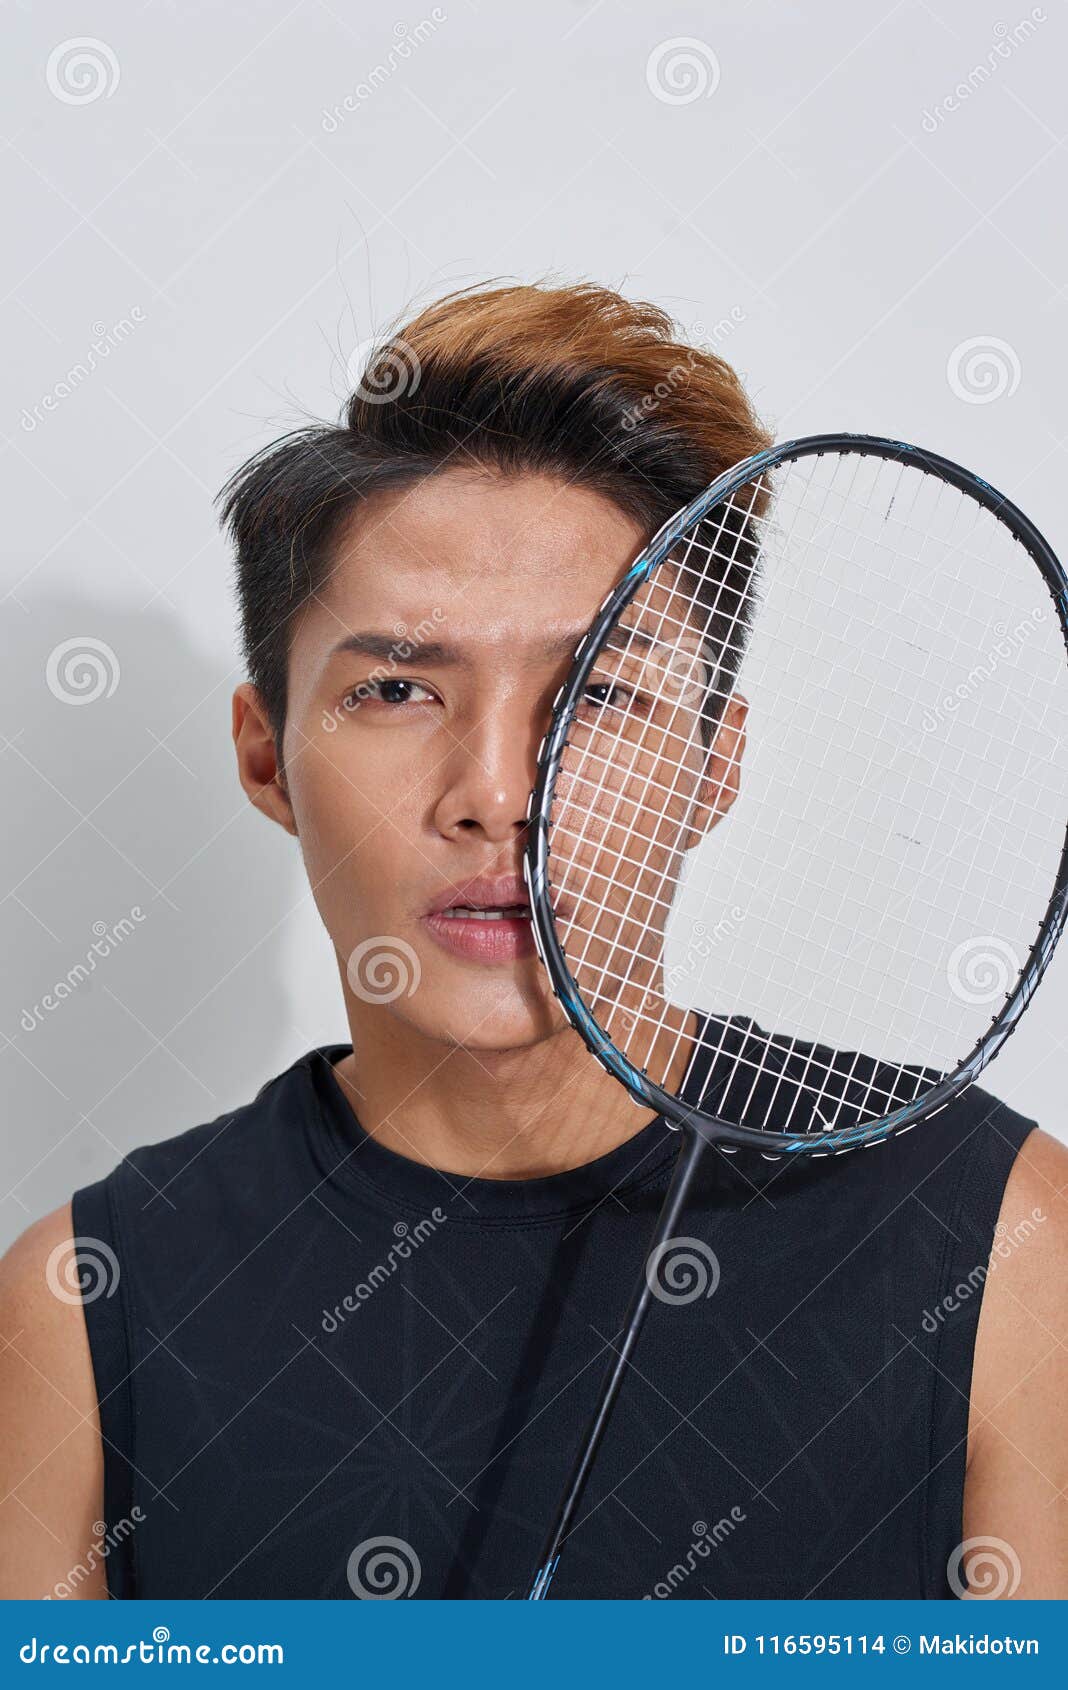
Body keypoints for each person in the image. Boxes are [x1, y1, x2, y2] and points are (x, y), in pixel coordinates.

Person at [1, 282, 1065, 1600]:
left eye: (598, 694)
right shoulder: (84, 1304)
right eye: (398, 688)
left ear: (715, 764)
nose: (499, 792)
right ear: (265, 756)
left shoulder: (1006, 1242)